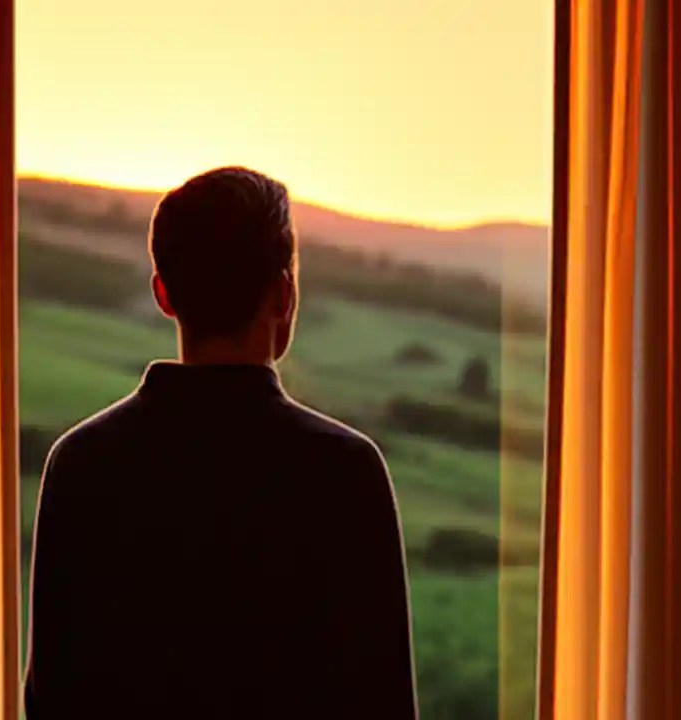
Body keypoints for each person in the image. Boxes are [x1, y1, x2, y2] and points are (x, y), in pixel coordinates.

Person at [23, 166, 418, 719]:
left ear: (164, 294)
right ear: (284, 293)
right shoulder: (344, 473)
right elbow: (383, 706)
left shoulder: (81, 464)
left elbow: (53, 705)